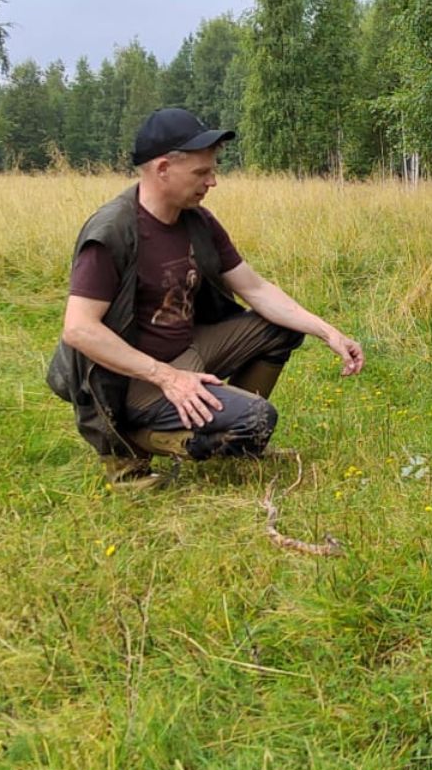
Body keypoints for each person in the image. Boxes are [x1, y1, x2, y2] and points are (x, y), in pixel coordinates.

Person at [46, 108, 364, 490]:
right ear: (163, 169)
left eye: (212, 171)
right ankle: (130, 443)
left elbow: (255, 289)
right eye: (201, 173)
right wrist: (167, 377)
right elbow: (79, 329)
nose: (212, 181)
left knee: (281, 329)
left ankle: (225, 421)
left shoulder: (198, 221)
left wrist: (328, 332)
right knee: (257, 420)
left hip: (189, 350)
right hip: (131, 379)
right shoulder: (113, 231)